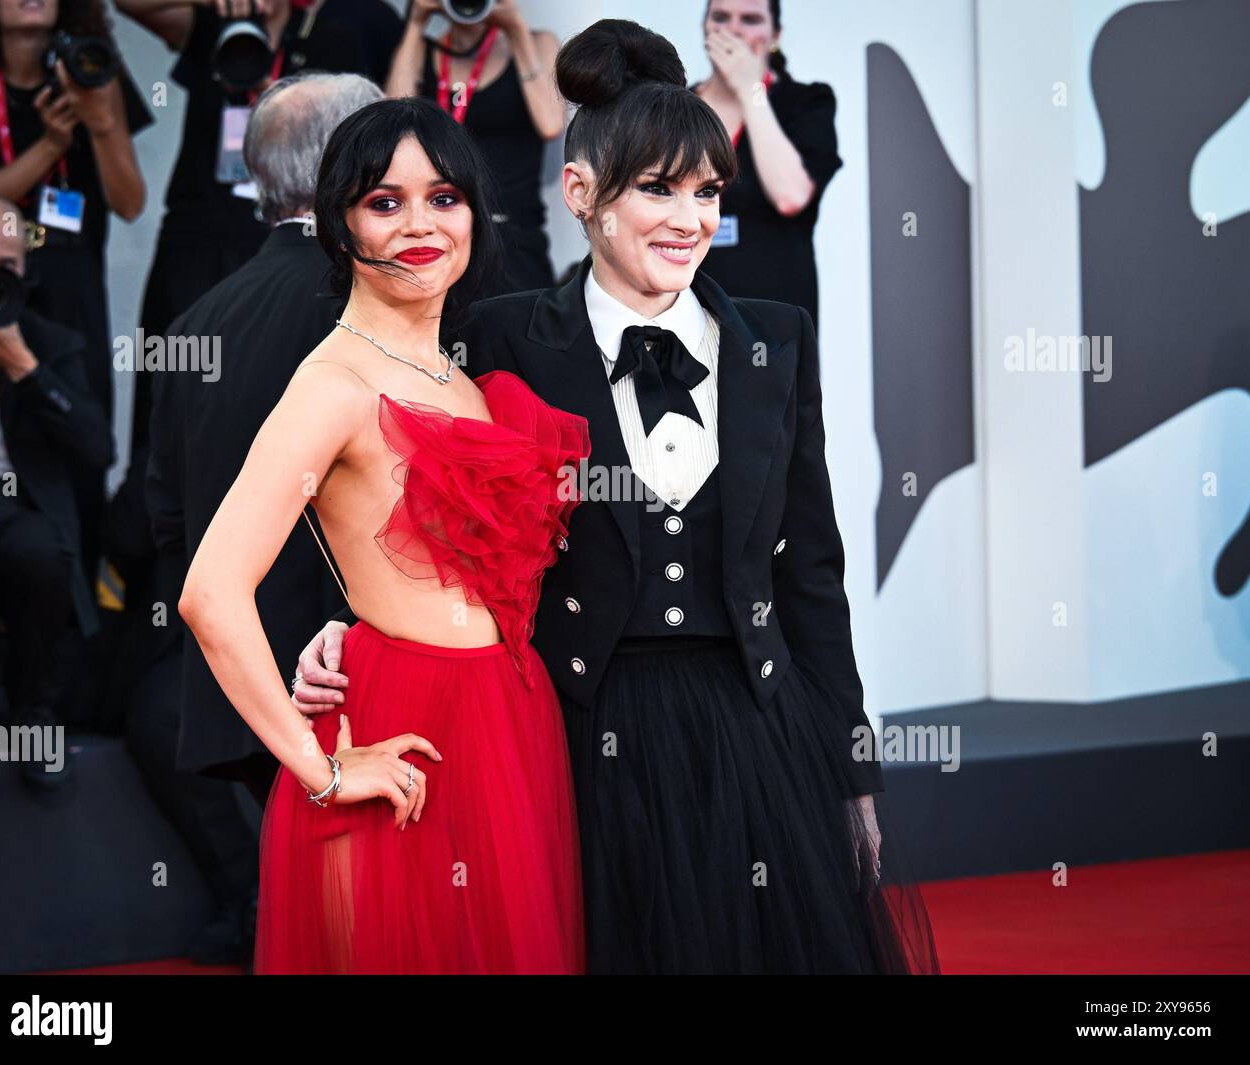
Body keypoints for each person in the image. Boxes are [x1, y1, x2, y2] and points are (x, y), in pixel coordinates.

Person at [293, 19, 941, 974]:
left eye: (707, 191)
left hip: (753, 731)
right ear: (581, 193)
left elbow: (813, 568)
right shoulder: (507, 336)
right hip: (576, 732)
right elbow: (401, 493)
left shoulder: (776, 338)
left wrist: (852, 771)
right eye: (657, 188)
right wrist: (340, 621)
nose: (690, 219)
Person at [178, 96, 588, 974]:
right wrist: (321, 769)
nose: (422, 224)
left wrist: (343, 618)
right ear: (339, 224)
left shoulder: (460, 374)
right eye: (384, 201)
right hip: (407, 733)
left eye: (444, 197)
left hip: (511, 723)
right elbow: (210, 593)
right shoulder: (332, 384)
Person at [132, 73, 382, 966]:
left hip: (241, 687)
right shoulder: (379, 306)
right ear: (356, 160)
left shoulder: (197, 320)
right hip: (361, 676)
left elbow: (165, 519)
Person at [116, 0, 403, 453]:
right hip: (199, 232)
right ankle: (151, 500)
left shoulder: (336, 30)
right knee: (178, 368)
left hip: (291, 229)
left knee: (276, 387)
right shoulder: (216, 23)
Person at [0, 0, 153, 577]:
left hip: (72, 279)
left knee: (78, 433)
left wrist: (97, 121)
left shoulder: (94, 68)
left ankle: (79, 595)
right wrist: (49, 144)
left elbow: (130, 201)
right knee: (2, 423)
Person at [0, 193, 112, 788]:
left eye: (10, 265)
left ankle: (35, 714)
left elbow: (99, 450)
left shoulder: (49, 342)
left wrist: (25, 366)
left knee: (40, 550)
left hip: (12, 509)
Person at [386, 0, 563, 293]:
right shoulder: (424, 49)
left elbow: (551, 124)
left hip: (513, 233)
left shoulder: (537, 43)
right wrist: (416, 24)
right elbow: (389, 125)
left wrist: (516, 29)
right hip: (440, 234)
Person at [691, 0, 842, 329]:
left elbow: (790, 197)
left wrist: (749, 88)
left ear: (775, 35)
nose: (733, 29)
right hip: (688, 306)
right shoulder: (679, 106)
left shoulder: (805, 103)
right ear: (706, 28)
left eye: (750, 19)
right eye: (720, 17)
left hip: (774, 311)